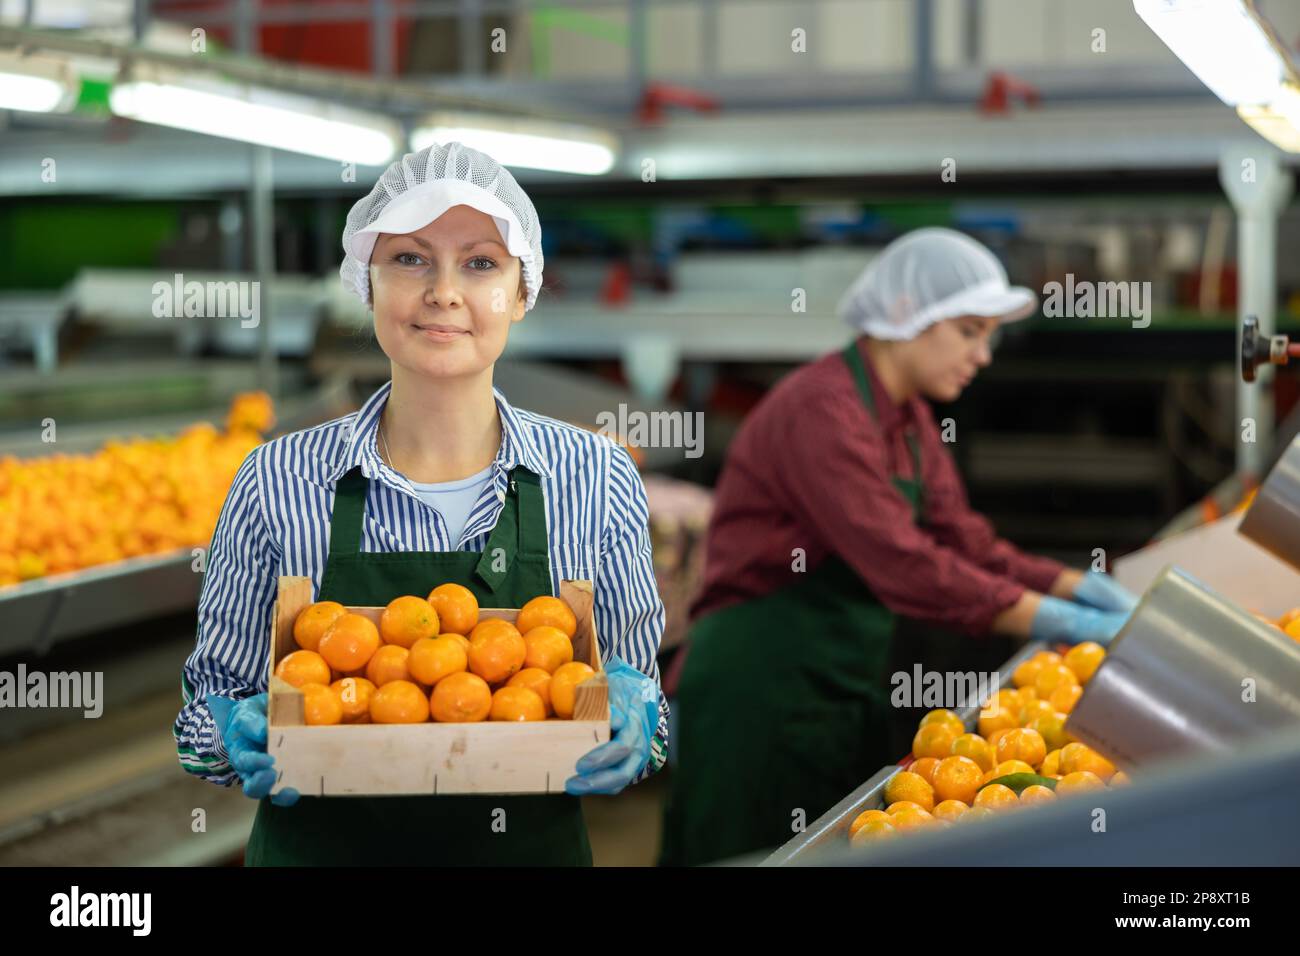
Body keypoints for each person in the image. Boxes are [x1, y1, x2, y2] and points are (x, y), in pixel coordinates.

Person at [174, 142, 669, 866]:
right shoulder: (274, 480)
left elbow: (645, 717)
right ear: (366, 283)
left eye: (480, 263)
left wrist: (635, 722)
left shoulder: (594, 477)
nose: (443, 291)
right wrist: (229, 734)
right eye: (409, 259)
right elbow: (202, 711)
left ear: (522, 290)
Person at [658, 227, 1137, 867]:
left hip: (838, 685)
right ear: (908, 315)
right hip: (760, 688)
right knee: (750, 854)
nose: (984, 355)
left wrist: (1077, 587)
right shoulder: (822, 411)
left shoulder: (906, 418)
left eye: (989, 336)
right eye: (970, 331)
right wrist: (1058, 620)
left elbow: (965, 541)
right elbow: (904, 564)